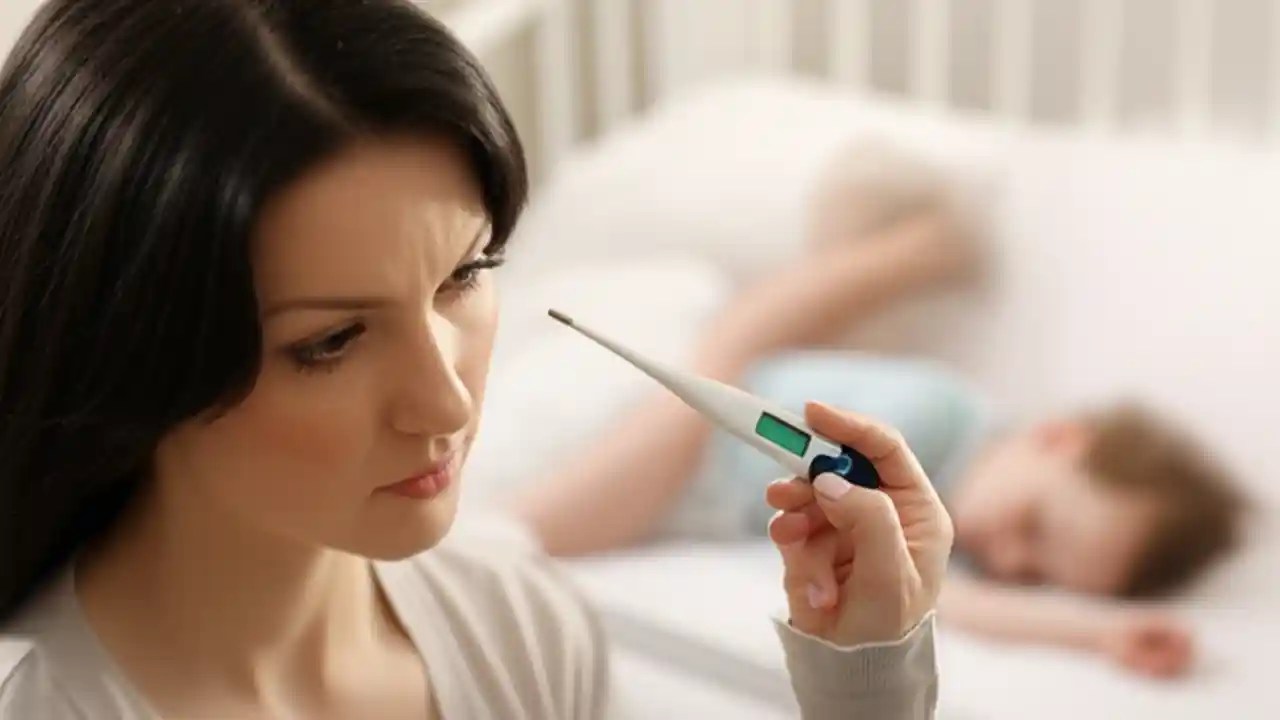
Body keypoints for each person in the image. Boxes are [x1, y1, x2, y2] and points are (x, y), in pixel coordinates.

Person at [0, 1, 953, 717]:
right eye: (329, 341)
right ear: (126, 346)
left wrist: (867, 680)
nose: (445, 399)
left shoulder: (517, 625)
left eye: (465, 274)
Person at [514, 143, 1246, 680]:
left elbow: (940, 602)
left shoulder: (942, 526)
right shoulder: (938, 418)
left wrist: (1098, 635)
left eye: (1036, 573)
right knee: (522, 533)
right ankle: (915, 251)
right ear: (1056, 439)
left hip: (672, 485)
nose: (1011, 557)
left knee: (511, 541)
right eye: (1035, 526)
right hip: (661, 420)